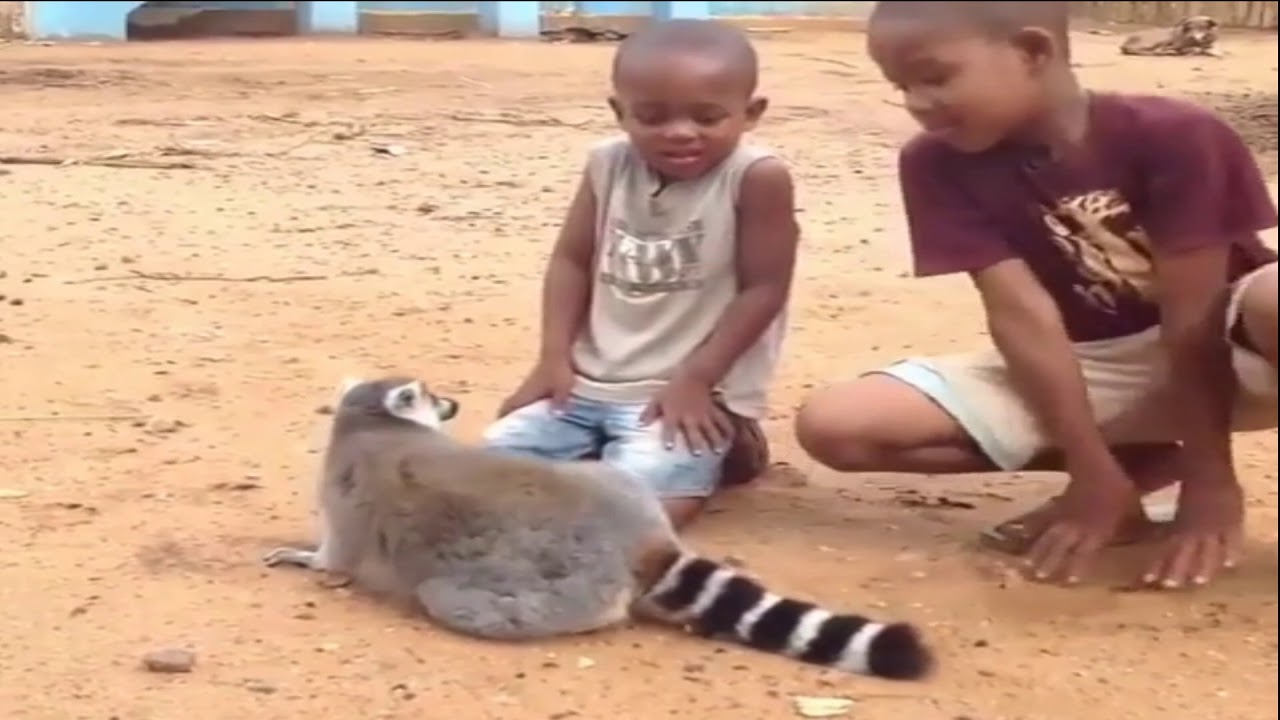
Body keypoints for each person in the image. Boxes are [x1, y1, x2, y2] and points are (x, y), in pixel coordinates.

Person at [794, 1, 1278, 590]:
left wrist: (1211, 483)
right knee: (838, 425)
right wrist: (1090, 470)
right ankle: (1139, 466)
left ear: (1032, 51)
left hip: (1235, 348)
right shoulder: (935, 164)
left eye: (935, 77)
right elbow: (1023, 318)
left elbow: (1192, 318)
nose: (916, 104)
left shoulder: (1174, 134)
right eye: (901, 86)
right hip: (1099, 360)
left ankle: (1186, 459)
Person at [482, 19, 800, 530]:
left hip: (683, 389)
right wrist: (552, 359)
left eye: (708, 117)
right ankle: (631, 456)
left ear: (751, 113)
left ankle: (728, 438)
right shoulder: (607, 164)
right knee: (491, 460)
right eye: (652, 117)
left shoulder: (756, 177)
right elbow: (571, 260)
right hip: (588, 383)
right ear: (619, 111)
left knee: (642, 497)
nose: (679, 132)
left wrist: (697, 380)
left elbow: (765, 289)